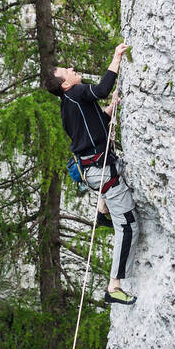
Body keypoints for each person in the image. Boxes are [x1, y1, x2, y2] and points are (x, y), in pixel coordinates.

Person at [45, 43, 138, 305]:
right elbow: (100, 90)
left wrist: (109, 109)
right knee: (129, 225)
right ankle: (114, 286)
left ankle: (102, 212)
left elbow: (94, 126)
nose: (72, 69)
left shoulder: (69, 104)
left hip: (93, 169)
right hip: (101, 170)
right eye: (67, 71)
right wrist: (116, 57)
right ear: (65, 84)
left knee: (112, 190)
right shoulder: (76, 92)